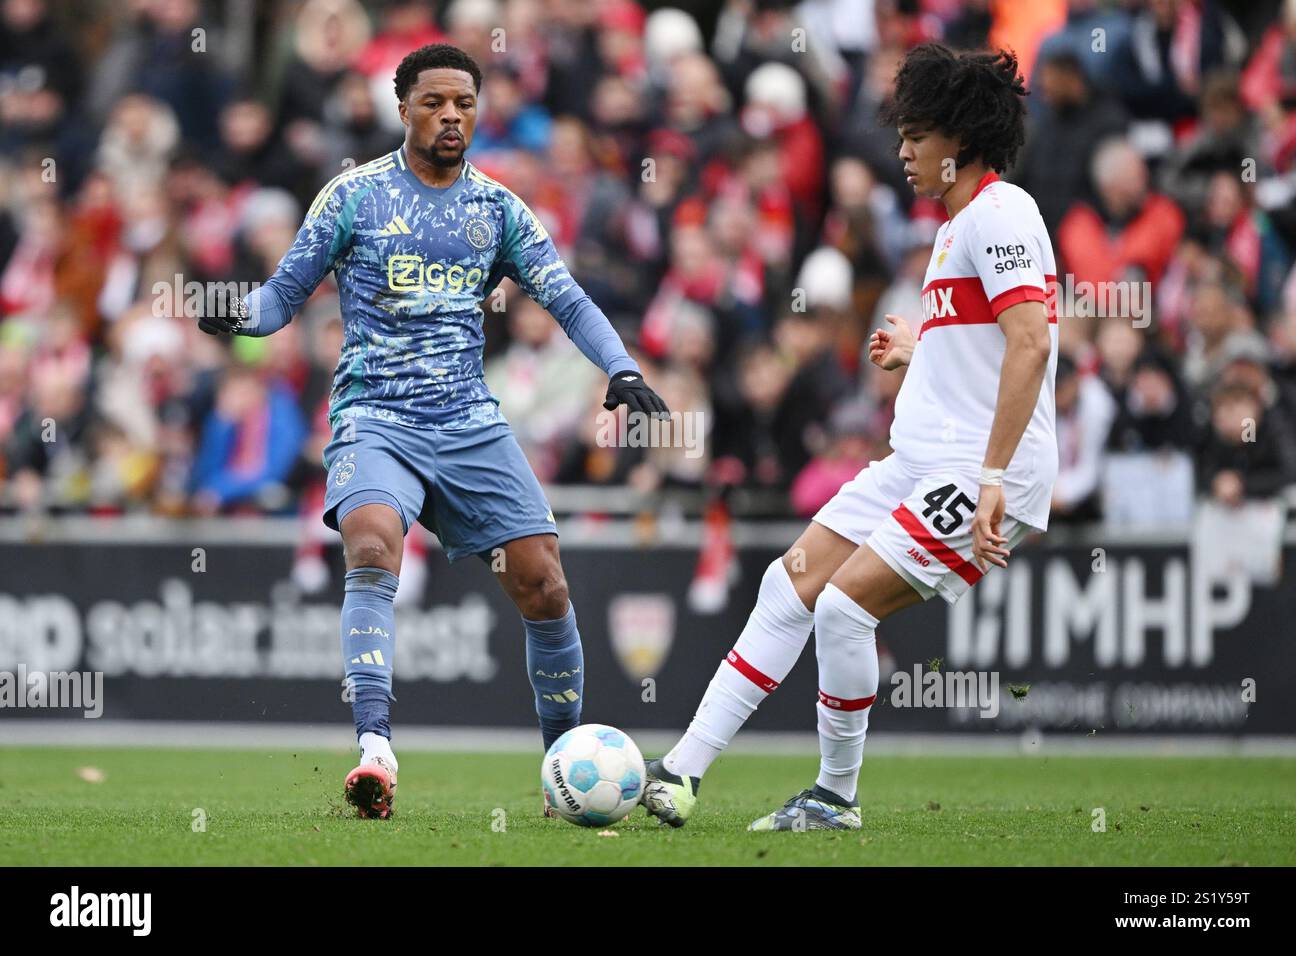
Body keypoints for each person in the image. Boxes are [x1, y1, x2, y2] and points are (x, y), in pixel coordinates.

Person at [195, 43, 667, 820]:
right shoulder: (352, 197)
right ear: (404, 108)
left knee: (544, 582)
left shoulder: (499, 210)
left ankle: (562, 767)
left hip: (468, 419)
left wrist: (620, 369)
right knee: (374, 541)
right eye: (435, 103)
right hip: (373, 414)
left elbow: (569, 299)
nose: (452, 116)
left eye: (465, 104)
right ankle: (375, 749)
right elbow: (280, 299)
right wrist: (233, 316)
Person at [640, 43, 1057, 831]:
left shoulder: (1001, 212)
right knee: (788, 582)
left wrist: (997, 474)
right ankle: (682, 770)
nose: (902, 150)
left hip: (978, 470)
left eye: (918, 134)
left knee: (841, 609)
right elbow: (992, 346)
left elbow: (1032, 342)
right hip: (924, 462)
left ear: (961, 139)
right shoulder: (957, 226)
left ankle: (835, 797)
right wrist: (920, 349)